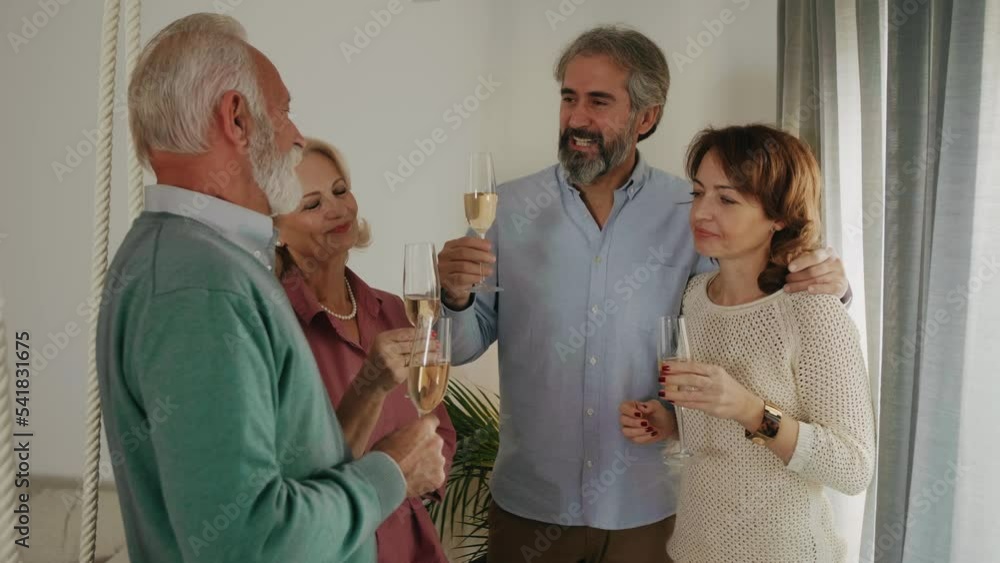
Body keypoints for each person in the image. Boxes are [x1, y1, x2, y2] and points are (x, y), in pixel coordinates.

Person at [436, 26, 850, 562]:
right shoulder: (505, 208)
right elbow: (460, 345)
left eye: (599, 101)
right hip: (530, 506)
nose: (577, 118)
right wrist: (454, 297)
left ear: (646, 116)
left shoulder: (697, 214)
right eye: (569, 98)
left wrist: (827, 288)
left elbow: (753, 308)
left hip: (654, 509)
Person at [96, 13, 445, 563]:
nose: (297, 135)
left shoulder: (196, 262)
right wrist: (391, 472)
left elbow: (288, 474)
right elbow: (246, 545)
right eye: (284, 111)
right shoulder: (202, 287)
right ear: (236, 118)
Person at [619, 124, 875, 562]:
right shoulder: (695, 297)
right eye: (698, 193)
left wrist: (750, 410)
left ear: (779, 216)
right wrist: (669, 421)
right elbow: (715, 434)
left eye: (727, 199)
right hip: (694, 549)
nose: (702, 212)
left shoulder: (812, 311)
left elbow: (853, 468)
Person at [274, 137, 456, 563]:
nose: (337, 210)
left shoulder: (392, 308)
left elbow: (440, 429)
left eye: (340, 191)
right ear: (275, 230)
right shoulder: (276, 329)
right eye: (312, 204)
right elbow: (295, 479)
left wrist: (419, 478)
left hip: (412, 547)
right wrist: (387, 475)